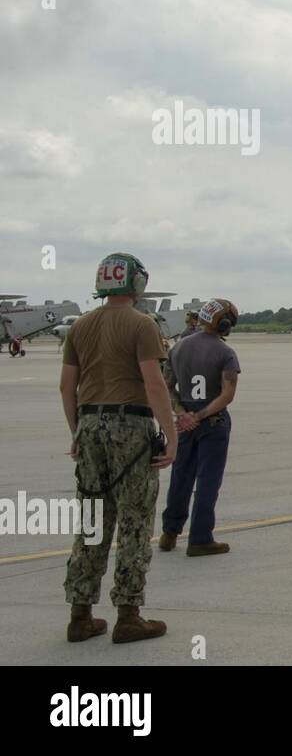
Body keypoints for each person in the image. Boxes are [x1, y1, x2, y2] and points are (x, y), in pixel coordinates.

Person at [60, 252, 176, 644]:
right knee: (135, 519)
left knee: (93, 519)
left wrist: (77, 432)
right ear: (137, 284)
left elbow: (66, 387)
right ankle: (128, 613)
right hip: (131, 425)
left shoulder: (80, 327)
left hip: (89, 425)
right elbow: (154, 383)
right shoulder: (142, 325)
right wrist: (171, 434)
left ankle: (80, 614)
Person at [160, 298, 240, 557]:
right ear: (224, 324)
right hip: (213, 423)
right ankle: (200, 538)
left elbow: (166, 387)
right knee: (207, 481)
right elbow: (227, 395)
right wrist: (201, 415)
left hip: (184, 423)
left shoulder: (178, 348)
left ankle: (169, 533)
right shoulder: (225, 353)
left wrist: (183, 414)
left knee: (180, 477)